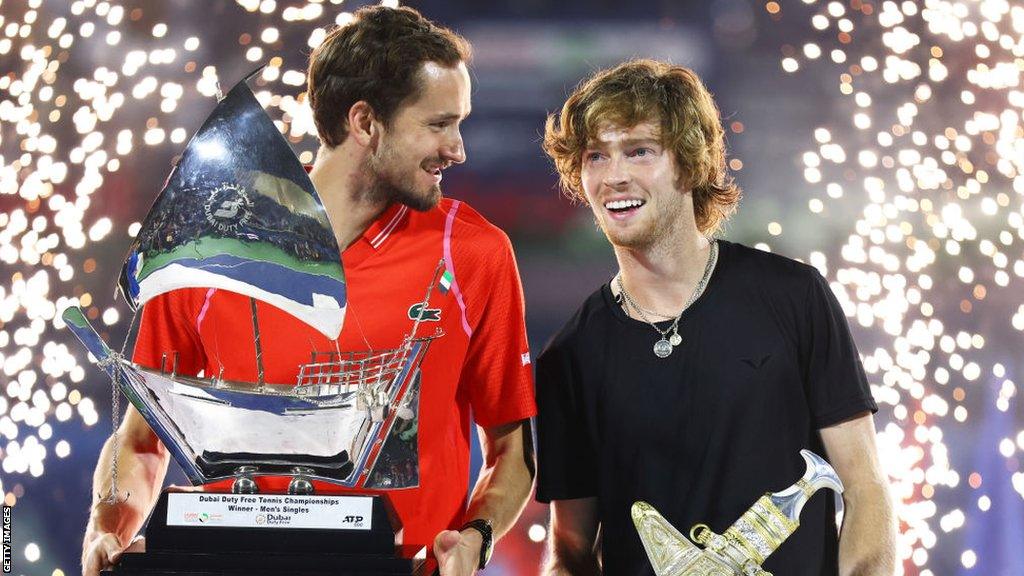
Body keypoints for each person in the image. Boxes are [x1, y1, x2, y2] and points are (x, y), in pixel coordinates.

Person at [81, 7, 536, 576]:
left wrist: (476, 537)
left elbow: (512, 453)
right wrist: (108, 527)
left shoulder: (472, 252)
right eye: (439, 124)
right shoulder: (208, 248)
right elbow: (140, 442)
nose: (458, 149)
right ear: (365, 122)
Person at [535, 59, 896, 575]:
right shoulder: (570, 356)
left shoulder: (793, 297)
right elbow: (570, 551)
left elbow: (865, 489)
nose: (614, 176)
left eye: (639, 151)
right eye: (596, 156)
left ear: (690, 162)